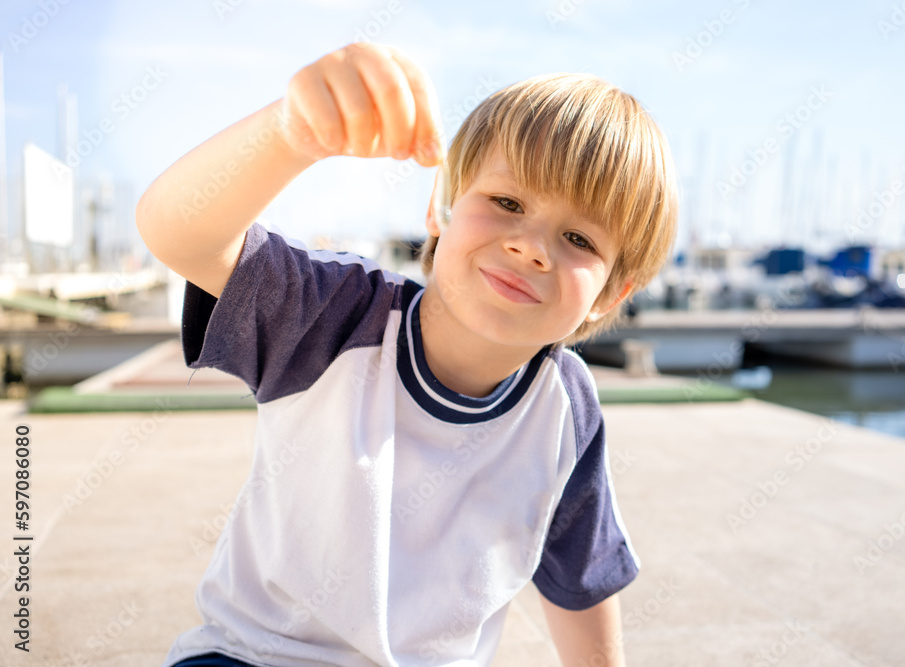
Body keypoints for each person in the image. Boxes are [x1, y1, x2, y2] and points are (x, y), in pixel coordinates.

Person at [137, 42, 677, 667]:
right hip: (255, 655)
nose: (532, 247)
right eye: (507, 202)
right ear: (438, 211)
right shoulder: (334, 313)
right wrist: (291, 133)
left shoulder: (566, 406)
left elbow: (580, 581)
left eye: (578, 238)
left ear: (610, 294)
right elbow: (177, 231)